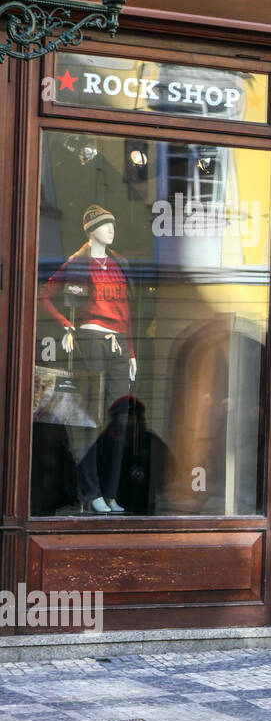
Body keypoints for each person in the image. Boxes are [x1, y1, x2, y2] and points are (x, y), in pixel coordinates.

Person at [38, 205, 137, 514]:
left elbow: (126, 312)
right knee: (90, 419)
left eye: (112, 225)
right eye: (106, 225)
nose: (111, 230)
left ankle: (110, 494)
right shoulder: (77, 263)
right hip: (91, 341)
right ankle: (90, 492)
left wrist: (132, 351)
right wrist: (66, 325)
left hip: (119, 345)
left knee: (119, 420)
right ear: (91, 230)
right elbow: (43, 295)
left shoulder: (119, 263)